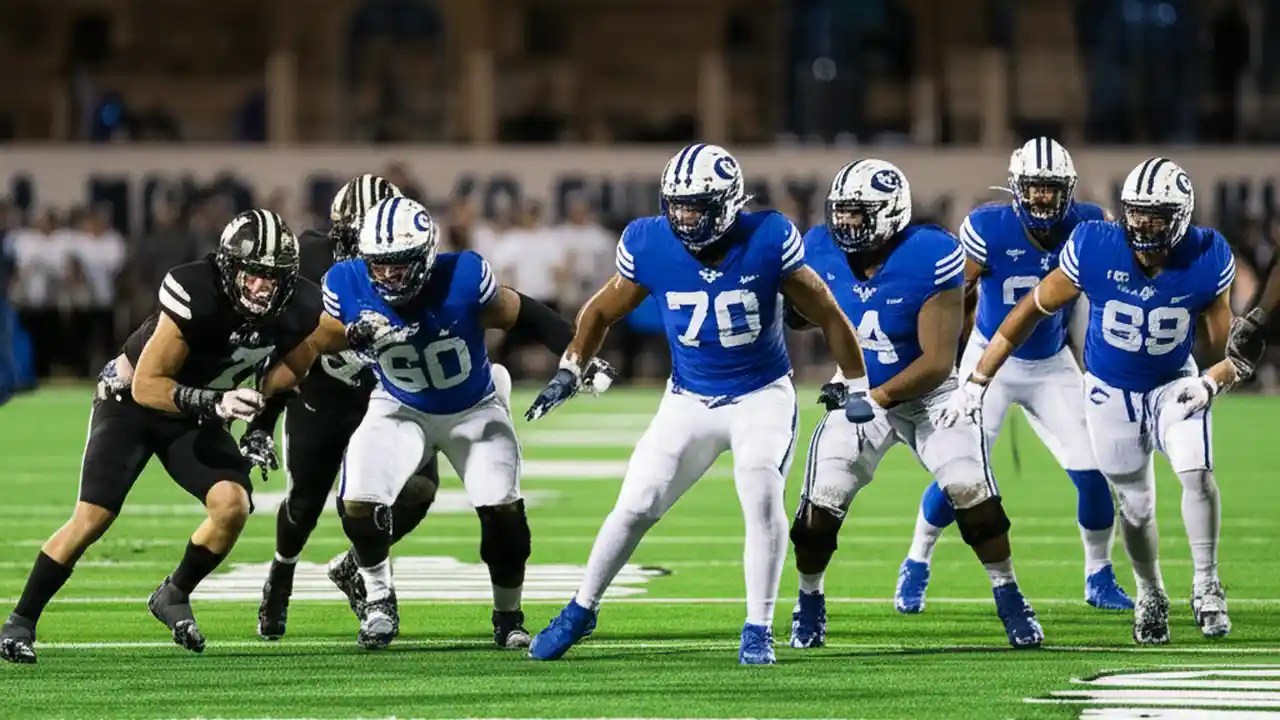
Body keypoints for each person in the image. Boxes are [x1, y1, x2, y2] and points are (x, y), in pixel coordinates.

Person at [524, 143, 871, 665]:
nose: (685, 216)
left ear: (728, 204)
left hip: (761, 395)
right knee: (636, 503)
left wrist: (858, 382)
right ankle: (581, 608)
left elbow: (825, 309)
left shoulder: (769, 236)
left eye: (697, 206)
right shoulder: (648, 241)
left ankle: (757, 627)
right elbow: (599, 311)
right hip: (687, 398)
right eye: (678, 204)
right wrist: (571, 367)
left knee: (759, 491)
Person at [0, 210, 322, 663]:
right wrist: (215, 403)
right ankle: (20, 621)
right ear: (230, 267)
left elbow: (294, 367)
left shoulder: (301, 307)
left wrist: (261, 428)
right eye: (251, 275)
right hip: (131, 403)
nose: (260, 288)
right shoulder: (198, 292)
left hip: (200, 412)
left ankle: (174, 592)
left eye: (272, 278)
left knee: (232, 505)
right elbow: (147, 385)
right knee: (93, 517)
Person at [944, 158, 1241, 644]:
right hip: (1108, 391)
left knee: (1196, 472)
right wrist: (978, 377)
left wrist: (1213, 380)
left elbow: (1227, 350)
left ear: (1182, 216)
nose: (1143, 224)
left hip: (1173, 382)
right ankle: (1150, 591)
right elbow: (1030, 308)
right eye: (1137, 213)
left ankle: (1207, 583)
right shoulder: (1096, 245)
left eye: (1157, 215)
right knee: (1137, 507)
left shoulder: (1207, 254)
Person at [307, 196, 614, 650]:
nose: (388, 275)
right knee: (358, 500)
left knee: (503, 511)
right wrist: (353, 333)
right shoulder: (348, 282)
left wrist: (577, 357)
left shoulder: (462, 277)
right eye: (379, 264)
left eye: (399, 264)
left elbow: (522, 313)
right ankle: (377, 598)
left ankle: (508, 616)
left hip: (473, 405)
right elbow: (317, 335)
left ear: (426, 256)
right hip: (399, 404)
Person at [786, 158, 1044, 651]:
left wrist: (873, 397)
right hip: (861, 384)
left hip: (928, 394)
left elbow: (935, 361)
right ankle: (810, 601)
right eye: (841, 213)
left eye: (858, 214)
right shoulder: (818, 247)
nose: (846, 224)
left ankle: (1009, 594)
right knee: (823, 499)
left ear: (889, 214)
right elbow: (804, 312)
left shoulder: (930, 254)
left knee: (970, 487)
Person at [895, 138, 1131, 615]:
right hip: (989, 363)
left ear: (1067, 190)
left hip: (1051, 364)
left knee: (1093, 472)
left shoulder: (1088, 225)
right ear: (1016, 188)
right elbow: (951, 292)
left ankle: (1098, 573)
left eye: (1051, 188)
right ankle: (916, 561)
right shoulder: (987, 228)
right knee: (958, 472)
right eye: (1034, 188)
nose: (1042, 198)